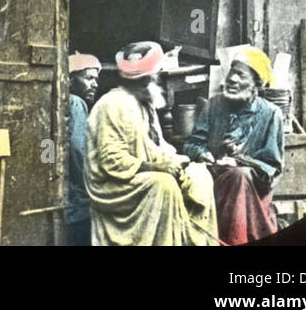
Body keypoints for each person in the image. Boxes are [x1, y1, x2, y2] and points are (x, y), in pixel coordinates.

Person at [86, 40, 218, 246]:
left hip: (140, 174)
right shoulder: (112, 105)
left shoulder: (143, 103)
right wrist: (158, 167)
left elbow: (157, 146)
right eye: (155, 77)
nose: (158, 83)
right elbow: (111, 160)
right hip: (113, 185)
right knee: (164, 185)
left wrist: (180, 162)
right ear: (144, 79)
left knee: (200, 176)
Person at [184, 47, 284, 244]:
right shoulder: (213, 105)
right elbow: (192, 144)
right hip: (212, 182)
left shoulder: (271, 114)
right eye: (232, 71)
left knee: (238, 176)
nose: (232, 79)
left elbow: (271, 168)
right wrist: (203, 155)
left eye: (240, 75)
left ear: (256, 84)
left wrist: (239, 162)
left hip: (251, 192)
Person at [67, 52, 101, 246]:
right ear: (71, 80)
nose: (95, 84)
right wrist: (90, 185)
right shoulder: (75, 102)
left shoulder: (65, 101)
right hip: (76, 199)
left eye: (96, 79)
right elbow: (77, 149)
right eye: (88, 78)